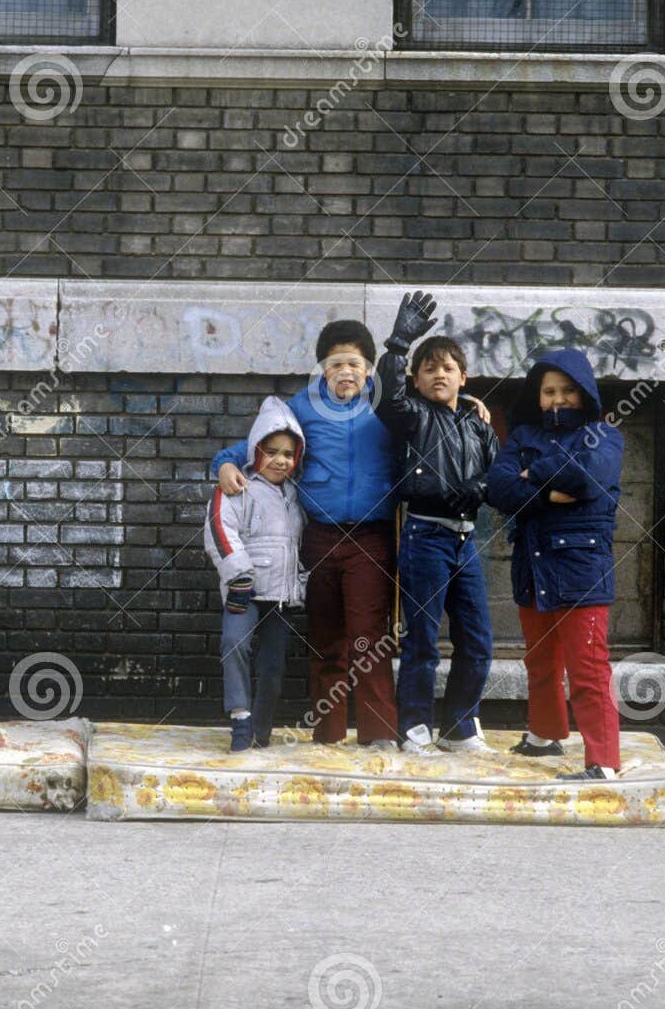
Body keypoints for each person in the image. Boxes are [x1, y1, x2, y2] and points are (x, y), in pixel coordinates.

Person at [211, 320, 402, 748]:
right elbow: (256, 443)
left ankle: (378, 736)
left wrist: (467, 401)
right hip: (318, 538)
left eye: (354, 363)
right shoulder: (304, 406)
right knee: (326, 638)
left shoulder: (388, 404)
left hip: (371, 539)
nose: (345, 372)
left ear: (369, 369)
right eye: (336, 364)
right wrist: (223, 464)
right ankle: (328, 734)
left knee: (369, 638)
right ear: (322, 369)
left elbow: (430, 410)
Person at [484, 348, 625, 781]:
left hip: (581, 567)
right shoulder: (523, 434)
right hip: (533, 565)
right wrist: (544, 492)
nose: (558, 399)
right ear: (538, 395)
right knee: (540, 659)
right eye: (549, 391)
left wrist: (530, 474)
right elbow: (497, 488)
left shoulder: (604, 435)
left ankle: (603, 762)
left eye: (567, 390)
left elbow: (586, 478)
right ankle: (545, 735)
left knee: (587, 666)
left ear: (584, 394)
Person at [373, 291, 498, 756]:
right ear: (417, 381)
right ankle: (415, 728)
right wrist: (399, 344)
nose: (439, 374)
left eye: (448, 368)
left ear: (462, 378)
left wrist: (480, 490)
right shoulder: (411, 416)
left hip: (465, 542)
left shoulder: (478, 425)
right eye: (429, 369)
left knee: (478, 639)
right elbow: (386, 397)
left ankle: (462, 727)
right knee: (422, 639)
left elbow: (498, 478)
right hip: (424, 536)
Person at [202, 397, 307, 752]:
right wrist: (238, 574)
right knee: (234, 646)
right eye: (272, 451)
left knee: (273, 664)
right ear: (256, 450)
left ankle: (262, 730)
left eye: (289, 454)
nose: (280, 460)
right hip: (242, 590)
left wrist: (300, 584)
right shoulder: (237, 485)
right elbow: (219, 529)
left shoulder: (295, 495)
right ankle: (240, 720)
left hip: (279, 597)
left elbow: (298, 547)